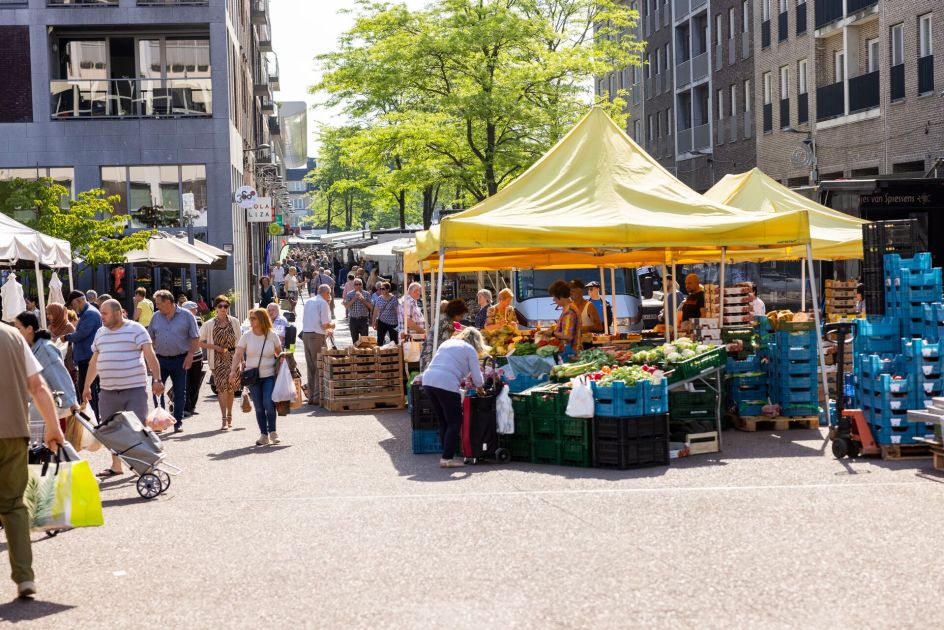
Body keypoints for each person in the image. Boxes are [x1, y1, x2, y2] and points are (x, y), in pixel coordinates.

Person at [0, 322, 64, 600]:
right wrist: (53, 426)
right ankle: (25, 577)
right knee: (14, 505)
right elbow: (37, 386)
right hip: (13, 431)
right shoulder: (13, 336)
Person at [83, 299, 164, 477]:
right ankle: (116, 466)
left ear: (118, 313)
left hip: (134, 388)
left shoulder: (136, 329)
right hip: (108, 390)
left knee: (138, 428)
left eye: (104, 313)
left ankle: (144, 465)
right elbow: (94, 362)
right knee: (111, 430)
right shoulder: (100, 333)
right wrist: (87, 385)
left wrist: (157, 379)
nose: (101, 317)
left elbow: (150, 356)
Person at [422, 327, 486, 468]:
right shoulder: (470, 350)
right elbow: (478, 379)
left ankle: (446, 454)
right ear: (477, 342)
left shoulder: (447, 343)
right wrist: (480, 388)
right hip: (446, 383)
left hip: (428, 380)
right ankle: (447, 458)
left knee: (443, 420)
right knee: (454, 421)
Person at [14, 312, 78, 435]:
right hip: (38, 408)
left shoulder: (45, 348)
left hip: (48, 408)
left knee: (48, 449)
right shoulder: (33, 347)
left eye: (18, 328)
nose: (16, 331)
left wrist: (71, 402)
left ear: (29, 329)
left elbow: (59, 376)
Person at [148, 289, 199, 432]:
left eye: (158, 303)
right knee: (156, 389)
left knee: (179, 391)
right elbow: (150, 338)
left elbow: (195, 337)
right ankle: (161, 421)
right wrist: (150, 358)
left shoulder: (187, 315)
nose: (156, 306)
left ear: (168, 302)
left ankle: (177, 422)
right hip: (160, 360)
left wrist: (190, 356)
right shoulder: (156, 317)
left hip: (180, 359)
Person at [230, 308, 283, 446]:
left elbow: (280, 354)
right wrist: (233, 371)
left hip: (269, 375)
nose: (251, 320)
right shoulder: (247, 336)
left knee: (268, 404)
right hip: (252, 377)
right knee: (259, 407)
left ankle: (273, 432)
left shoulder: (272, 335)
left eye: (254, 318)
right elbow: (238, 354)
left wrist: (284, 367)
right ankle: (263, 435)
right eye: (250, 318)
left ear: (262, 319)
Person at [198, 295, 242, 430]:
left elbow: (241, 343)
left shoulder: (234, 322)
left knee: (231, 389)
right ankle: (224, 419)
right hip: (217, 360)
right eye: (220, 306)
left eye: (226, 306)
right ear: (216, 308)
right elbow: (198, 342)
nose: (223, 309)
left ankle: (230, 416)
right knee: (222, 389)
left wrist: (243, 360)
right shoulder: (209, 324)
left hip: (233, 359)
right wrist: (214, 347)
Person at [64, 290, 102, 418]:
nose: (72, 308)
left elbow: (81, 334)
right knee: (87, 392)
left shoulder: (90, 313)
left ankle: (93, 421)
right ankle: (92, 419)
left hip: (88, 359)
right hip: (85, 358)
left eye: (73, 305)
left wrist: (67, 337)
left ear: (79, 301)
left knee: (87, 392)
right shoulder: (87, 313)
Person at [302, 284, 335, 405]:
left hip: (306, 334)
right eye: (329, 293)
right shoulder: (323, 303)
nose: (330, 296)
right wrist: (332, 326)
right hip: (317, 336)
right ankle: (316, 396)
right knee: (319, 366)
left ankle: (311, 396)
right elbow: (325, 324)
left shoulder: (309, 301)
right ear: (326, 293)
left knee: (311, 366)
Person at [419, 299, 467, 369]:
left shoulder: (444, 318)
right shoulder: (447, 323)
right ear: (455, 313)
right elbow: (446, 343)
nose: (461, 318)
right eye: (461, 316)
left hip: (429, 355)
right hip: (432, 359)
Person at [181, 302, 205, 417]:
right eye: (193, 309)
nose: (196, 311)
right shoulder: (180, 321)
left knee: (195, 383)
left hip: (197, 356)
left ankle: (192, 406)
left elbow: (198, 336)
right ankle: (186, 407)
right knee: (185, 383)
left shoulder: (198, 319)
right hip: (183, 356)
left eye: (195, 309)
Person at [548, 280, 581, 359]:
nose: (553, 300)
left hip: (571, 354)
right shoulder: (568, 308)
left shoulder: (569, 311)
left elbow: (567, 336)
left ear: (561, 296)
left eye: (554, 297)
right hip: (569, 352)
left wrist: (552, 333)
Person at [343, 278, 372, 344]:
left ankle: (364, 353)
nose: (358, 286)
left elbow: (371, 306)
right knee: (355, 340)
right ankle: (356, 353)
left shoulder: (367, 294)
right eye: (356, 284)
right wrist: (354, 298)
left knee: (365, 340)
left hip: (363, 319)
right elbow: (346, 306)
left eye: (360, 284)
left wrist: (363, 300)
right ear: (354, 285)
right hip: (353, 320)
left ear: (362, 285)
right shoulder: (349, 294)